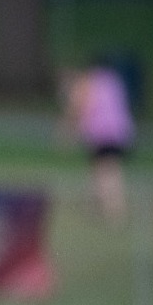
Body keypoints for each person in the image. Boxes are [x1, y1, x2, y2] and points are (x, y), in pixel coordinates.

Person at [62, 59, 134, 223]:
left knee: (105, 172)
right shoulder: (113, 80)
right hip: (121, 131)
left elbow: (79, 107)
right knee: (106, 169)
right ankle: (99, 206)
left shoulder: (86, 83)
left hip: (101, 132)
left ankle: (113, 211)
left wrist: (69, 132)